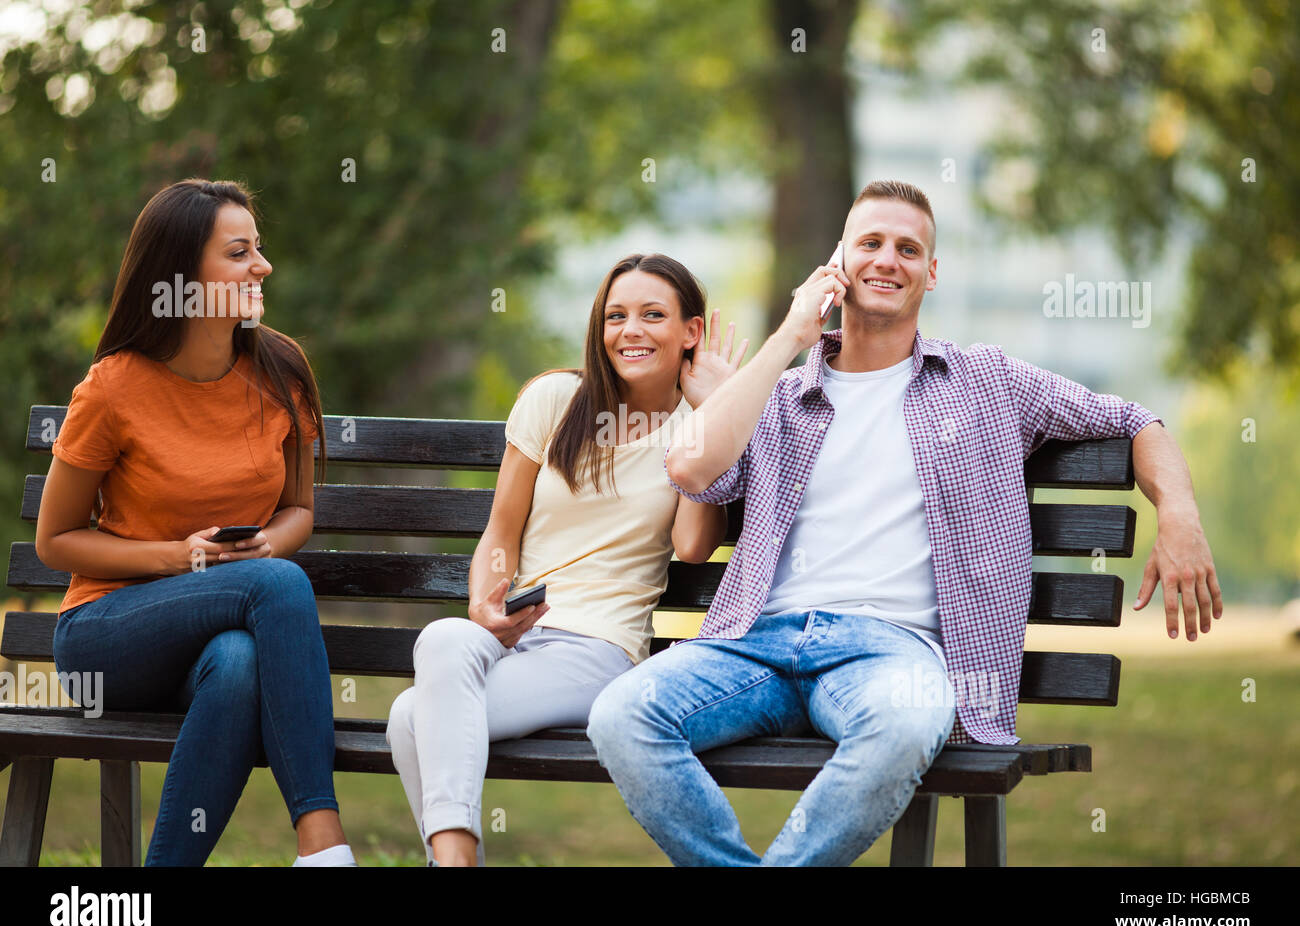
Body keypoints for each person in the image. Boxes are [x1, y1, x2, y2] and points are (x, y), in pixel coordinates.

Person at [587, 179, 1223, 866]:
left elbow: (1133, 421)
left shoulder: (987, 381)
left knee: (906, 726)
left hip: (890, 656)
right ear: (837, 263)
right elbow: (689, 472)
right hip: (760, 644)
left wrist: (1180, 515)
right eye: (870, 243)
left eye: (908, 248)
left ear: (931, 272)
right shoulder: (777, 395)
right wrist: (791, 336)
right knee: (620, 716)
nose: (888, 259)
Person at [386, 253, 747, 866]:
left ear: (691, 331)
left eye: (652, 315)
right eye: (616, 316)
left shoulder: (696, 427)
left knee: (409, 717)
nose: (629, 330)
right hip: (513, 631)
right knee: (445, 636)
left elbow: (691, 546)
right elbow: (501, 530)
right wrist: (485, 600)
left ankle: (452, 863)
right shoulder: (554, 399)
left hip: (599, 649)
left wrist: (712, 412)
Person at [36, 179, 354, 867]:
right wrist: (182, 558)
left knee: (240, 664)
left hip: (216, 638)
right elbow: (55, 540)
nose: (262, 267)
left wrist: (269, 542)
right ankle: (323, 840)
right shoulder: (114, 387)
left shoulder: (281, 370)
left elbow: (298, 510)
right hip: (108, 634)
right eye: (240, 253)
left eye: (258, 250)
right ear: (181, 274)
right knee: (274, 585)